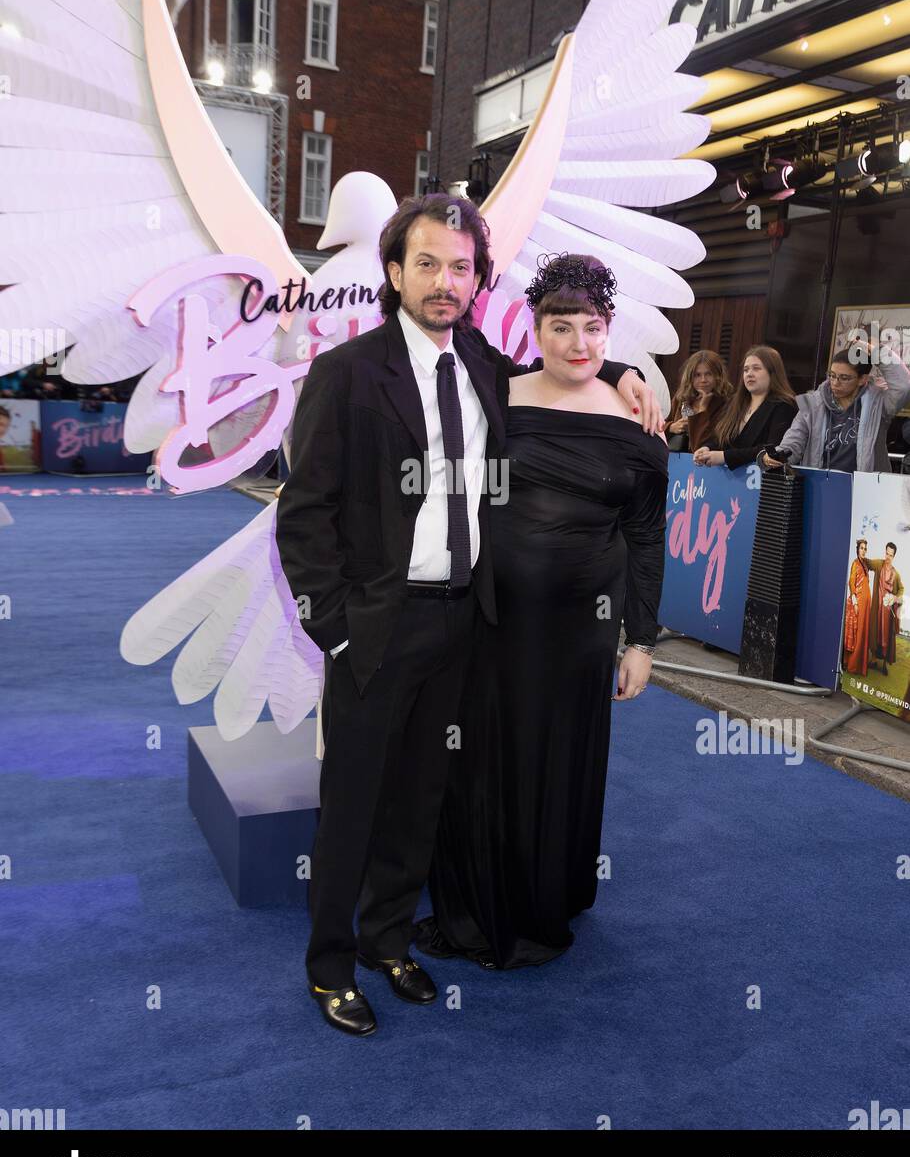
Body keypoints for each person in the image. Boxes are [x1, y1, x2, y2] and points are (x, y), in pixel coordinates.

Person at [274, 195, 660, 1036]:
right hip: (374, 626)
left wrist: (628, 368)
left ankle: (386, 942)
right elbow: (303, 517)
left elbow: (572, 354)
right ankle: (330, 964)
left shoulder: (485, 366)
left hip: (464, 625)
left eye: (460, 267)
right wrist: (334, 626)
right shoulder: (346, 374)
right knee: (353, 804)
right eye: (427, 264)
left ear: (479, 282)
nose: (444, 281)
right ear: (394, 273)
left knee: (420, 799)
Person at [413, 252, 668, 971]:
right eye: (562, 327)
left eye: (594, 329)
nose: (579, 345)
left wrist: (641, 640)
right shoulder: (499, 387)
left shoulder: (638, 415)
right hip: (490, 618)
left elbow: (648, 534)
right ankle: (479, 900)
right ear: (535, 327)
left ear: (610, 329)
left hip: (582, 631)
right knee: (487, 758)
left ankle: (546, 895)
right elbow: (444, 319)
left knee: (559, 756)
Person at [760, 343, 910, 473]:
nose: (835, 383)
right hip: (821, 486)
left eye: (844, 378)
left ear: (862, 380)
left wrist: (877, 352)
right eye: (832, 375)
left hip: (863, 490)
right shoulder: (813, 403)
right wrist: (777, 456)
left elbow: (904, 386)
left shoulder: (878, 405)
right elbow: (794, 441)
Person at [692, 346, 797, 469]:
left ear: (772, 372)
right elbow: (719, 437)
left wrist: (725, 456)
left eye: (756, 369)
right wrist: (707, 447)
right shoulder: (734, 402)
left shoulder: (784, 405)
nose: (749, 374)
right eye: (746, 370)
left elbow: (774, 448)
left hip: (759, 481)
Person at [665, 350, 731, 453]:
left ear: (718, 376)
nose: (703, 380)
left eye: (708, 374)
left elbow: (700, 445)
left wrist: (702, 410)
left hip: (703, 464)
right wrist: (671, 427)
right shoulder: (681, 399)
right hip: (675, 462)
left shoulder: (725, 404)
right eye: (697, 375)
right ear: (690, 377)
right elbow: (656, 428)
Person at [867, 543, 903, 677]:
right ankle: (874, 660)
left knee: (886, 637)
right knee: (875, 633)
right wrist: (861, 556)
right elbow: (869, 563)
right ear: (885, 552)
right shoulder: (879, 564)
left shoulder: (896, 574)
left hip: (888, 612)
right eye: (887, 553)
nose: (888, 557)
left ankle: (884, 666)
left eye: (891, 555)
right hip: (877, 609)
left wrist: (895, 598)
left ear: (894, 556)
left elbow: (901, 589)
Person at [843, 539, 871, 676]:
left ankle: (860, 666)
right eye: (861, 548)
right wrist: (854, 602)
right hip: (858, 603)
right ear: (857, 549)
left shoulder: (865, 565)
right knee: (856, 635)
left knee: (863, 635)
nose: (864, 550)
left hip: (866, 606)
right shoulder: (855, 563)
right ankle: (852, 666)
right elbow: (851, 583)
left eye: (865, 548)